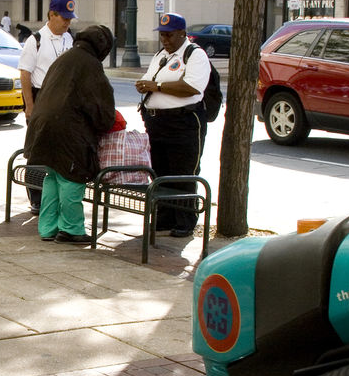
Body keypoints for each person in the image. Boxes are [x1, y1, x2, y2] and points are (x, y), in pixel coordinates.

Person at [23, 25, 116, 244]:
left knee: (53, 177)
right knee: (72, 179)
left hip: (44, 128)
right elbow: (100, 107)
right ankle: (71, 228)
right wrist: (105, 122)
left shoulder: (65, 58)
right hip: (69, 132)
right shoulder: (90, 64)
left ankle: (48, 228)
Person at [135, 12, 213, 238]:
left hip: (184, 122)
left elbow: (191, 87)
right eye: (162, 36)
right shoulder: (161, 55)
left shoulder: (194, 55)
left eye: (169, 36)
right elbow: (151, 80)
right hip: (158, 122)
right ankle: (165, 217)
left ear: (182, 33)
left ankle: (185, 220)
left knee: (183, 172)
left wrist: (157, 86)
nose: (165, 40)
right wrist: (146, 86)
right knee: (161, 171)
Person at [17, 0, 76, 213]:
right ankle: (36, 197)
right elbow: (25, 74)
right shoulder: (36, 40)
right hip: (41, 95)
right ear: (52, 15)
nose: (68, 23)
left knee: (59, 150)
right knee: (37, 151)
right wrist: (29, 106)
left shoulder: (69, 39)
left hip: (62, 99)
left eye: (70, 19)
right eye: (64, 18)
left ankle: (54, 196)